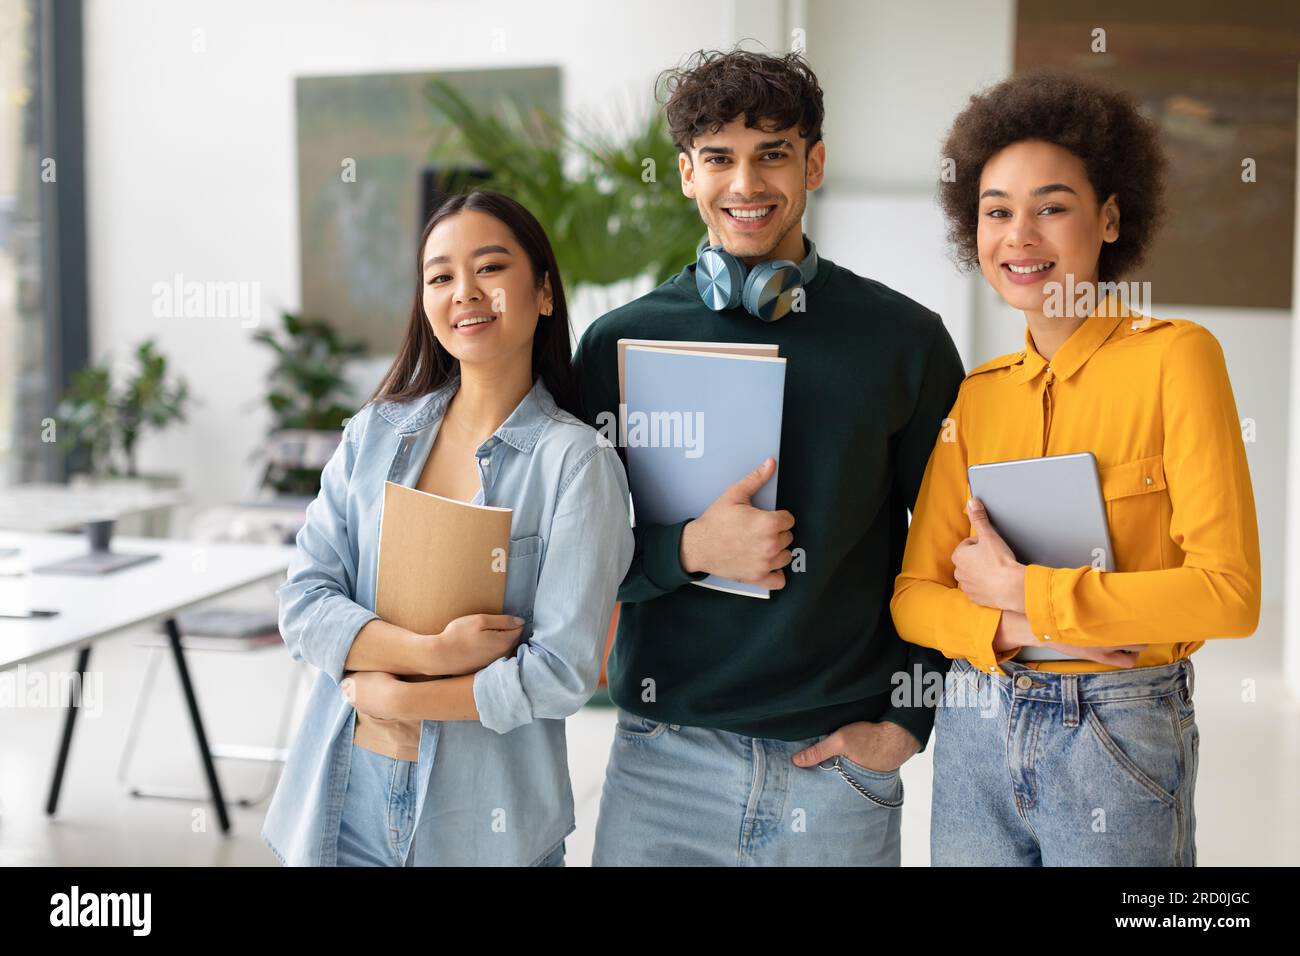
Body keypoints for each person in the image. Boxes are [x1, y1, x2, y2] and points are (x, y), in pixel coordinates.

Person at [575, 49, 965, 866]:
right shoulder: (617, 343)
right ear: (687, 173)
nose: (745, 184)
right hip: (661, 763)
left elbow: (949, 547)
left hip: (836, 769)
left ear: (813, 162)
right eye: (719, 158)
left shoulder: (907, 341)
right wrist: (688, 549)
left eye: (773, 154)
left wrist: (907, 721)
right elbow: (578, 559)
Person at [891, 72, 1261, 866]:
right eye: (997, 212)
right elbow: (913, 598)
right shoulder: (978, 397)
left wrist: (1029, 588)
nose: (1020, 236)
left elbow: (1229, 596)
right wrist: (1020, 625)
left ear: (1111, 218)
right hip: (976, 719)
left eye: (1052, 207)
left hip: (1118, 729)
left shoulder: (1178, 359)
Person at [262, 190, 634, 866]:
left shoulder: (578, 463)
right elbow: (302, 605)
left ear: (544, 293)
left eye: (490, 268)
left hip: (483, 825)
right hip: (341, 806)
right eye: (440, 276)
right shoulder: (373, 434)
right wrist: (432, 655)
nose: (465, 292)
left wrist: (391, 688)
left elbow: (562, 673)